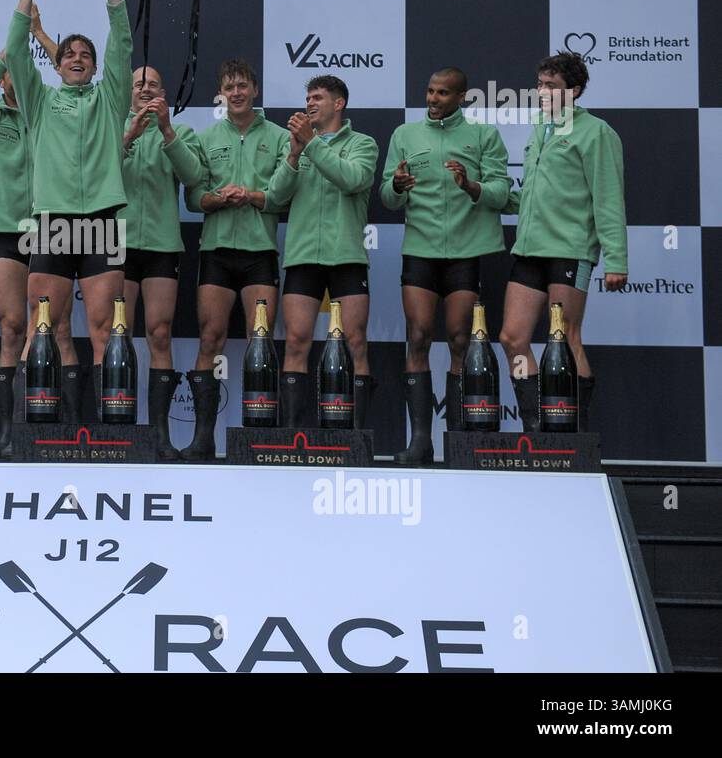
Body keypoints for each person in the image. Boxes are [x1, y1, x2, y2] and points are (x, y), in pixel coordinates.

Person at [4, 0, 134, 421]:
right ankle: (28, 431)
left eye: (86, 55)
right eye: (69, 54)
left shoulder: (111, 97)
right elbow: (16, 51)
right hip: (52, 222)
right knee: (43, 327)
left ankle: (104, 434)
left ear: (96, 67)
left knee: (105, 330)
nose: (78, 58)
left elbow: (122, 42)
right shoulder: (38, 101)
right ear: (56, 65)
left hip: (102, 220)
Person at [380, 68, 511, 464]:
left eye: (442, 93)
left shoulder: (483, 136)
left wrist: (473, 186)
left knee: (459, 340)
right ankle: (421, 441)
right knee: (418, 336)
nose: (433, 98)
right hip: (420, 248)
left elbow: (502, 191)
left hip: (466, 251)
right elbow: (386, 196)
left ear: (462, 97)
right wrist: (397, 186)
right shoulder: (405, 135)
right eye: (429, 91)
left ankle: (457, 440)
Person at [0, 6, 73, 458]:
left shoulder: (49, 111)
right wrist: (7, 55)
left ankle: (63, 432)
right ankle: (10, 433)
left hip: (53, 227)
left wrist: (43, 39)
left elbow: (72, 72)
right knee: (12, 328)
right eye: (11, 73)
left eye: (21, 72)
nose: (14, 80)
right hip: (8, 233)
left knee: (59, 328)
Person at [499, 52, 627, 432]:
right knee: (511, 338)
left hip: (570, 250)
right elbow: (536, 196)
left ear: (574, 90)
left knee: (566, 338)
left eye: (551, 86)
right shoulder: (541, 127)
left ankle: (575, 434)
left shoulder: (597, 132)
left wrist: (616, 259)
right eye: (539, 84)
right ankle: (535, 427)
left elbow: (608, 199)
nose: (541, 91)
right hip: (529, 249)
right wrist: (491, 194)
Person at [181, 60, 288, 461]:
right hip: (217, 252)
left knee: (261, 341)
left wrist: (254, 196)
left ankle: (260, 435)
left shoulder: (278, 137)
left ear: (255, 91)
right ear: (221, 93)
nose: (237, 92)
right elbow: (193, 199)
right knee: (210, 339)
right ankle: (203, 438)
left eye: (243, 85)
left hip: (260, 252)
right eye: (230, 87)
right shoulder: (207, 138)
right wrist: (216, 198)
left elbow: (285, 194)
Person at [267, 75, 378, 431]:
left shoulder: (364, 143)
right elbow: (275, 196)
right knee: (297, 341)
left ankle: (356, 434)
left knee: (354, 342)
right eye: (307, 97)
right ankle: (292, 433)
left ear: (339, 103)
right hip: (302, 256)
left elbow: (352, 179)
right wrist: (295, 154)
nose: (309, 103)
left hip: (346, 255)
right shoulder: (297, 144)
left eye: (317, 97)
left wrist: (312, 143)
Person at [118, 66, 208, 460]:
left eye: (153, 84)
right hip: (113, 243)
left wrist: (167, 131)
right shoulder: (111, 125)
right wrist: (129, 136)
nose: (146, 89)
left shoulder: (181, 132)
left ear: (164, 93)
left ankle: (159, 435)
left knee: (158, 333)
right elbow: (92, 173)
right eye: (139, 84)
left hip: (160, 244)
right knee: (115, 335)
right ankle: (116, 430)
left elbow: (194, 177)